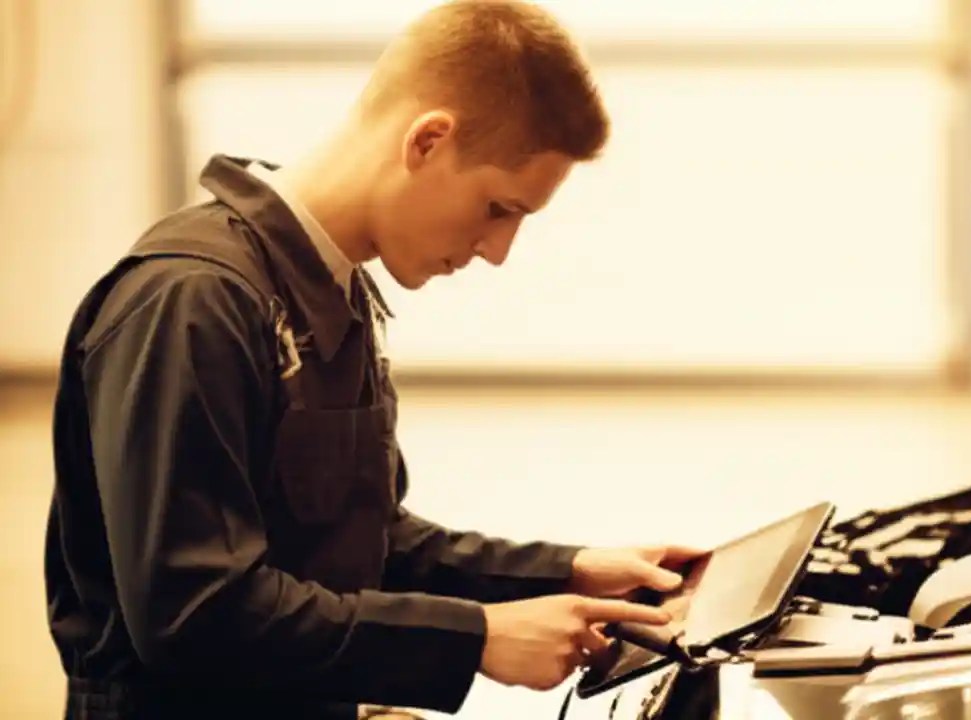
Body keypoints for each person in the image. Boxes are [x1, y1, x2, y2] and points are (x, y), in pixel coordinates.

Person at [44, 2, 703, 718]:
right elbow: (195, 611)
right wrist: (473, 639)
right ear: (428, 141)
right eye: (497, 208)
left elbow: (369, 544)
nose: (498, 251)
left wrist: (568, 573)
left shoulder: (333, 292)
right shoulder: (193, 301)